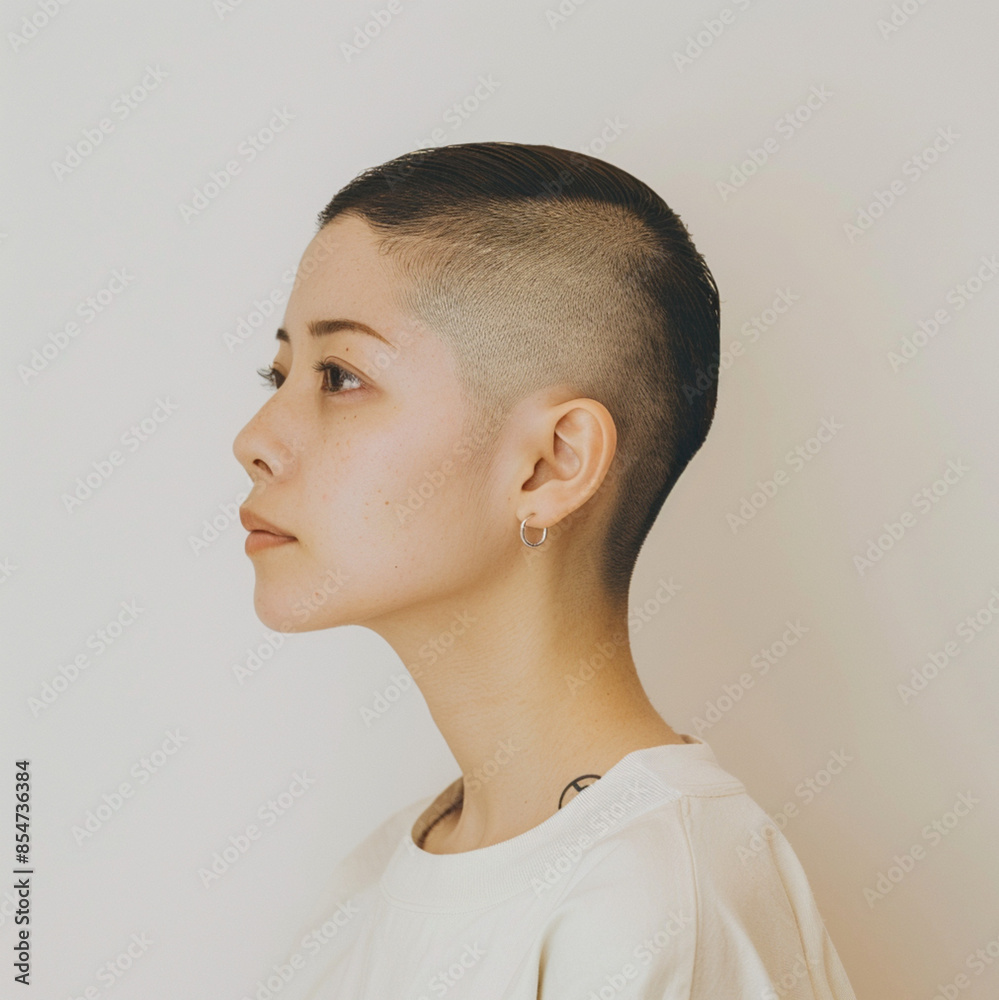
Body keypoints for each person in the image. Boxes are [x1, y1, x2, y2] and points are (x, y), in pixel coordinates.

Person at [232, 142, 857, 998]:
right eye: (278, 372)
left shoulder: (654, 902)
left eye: (339, 376)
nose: (254, 440)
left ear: (550, 466)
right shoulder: (372, 884)